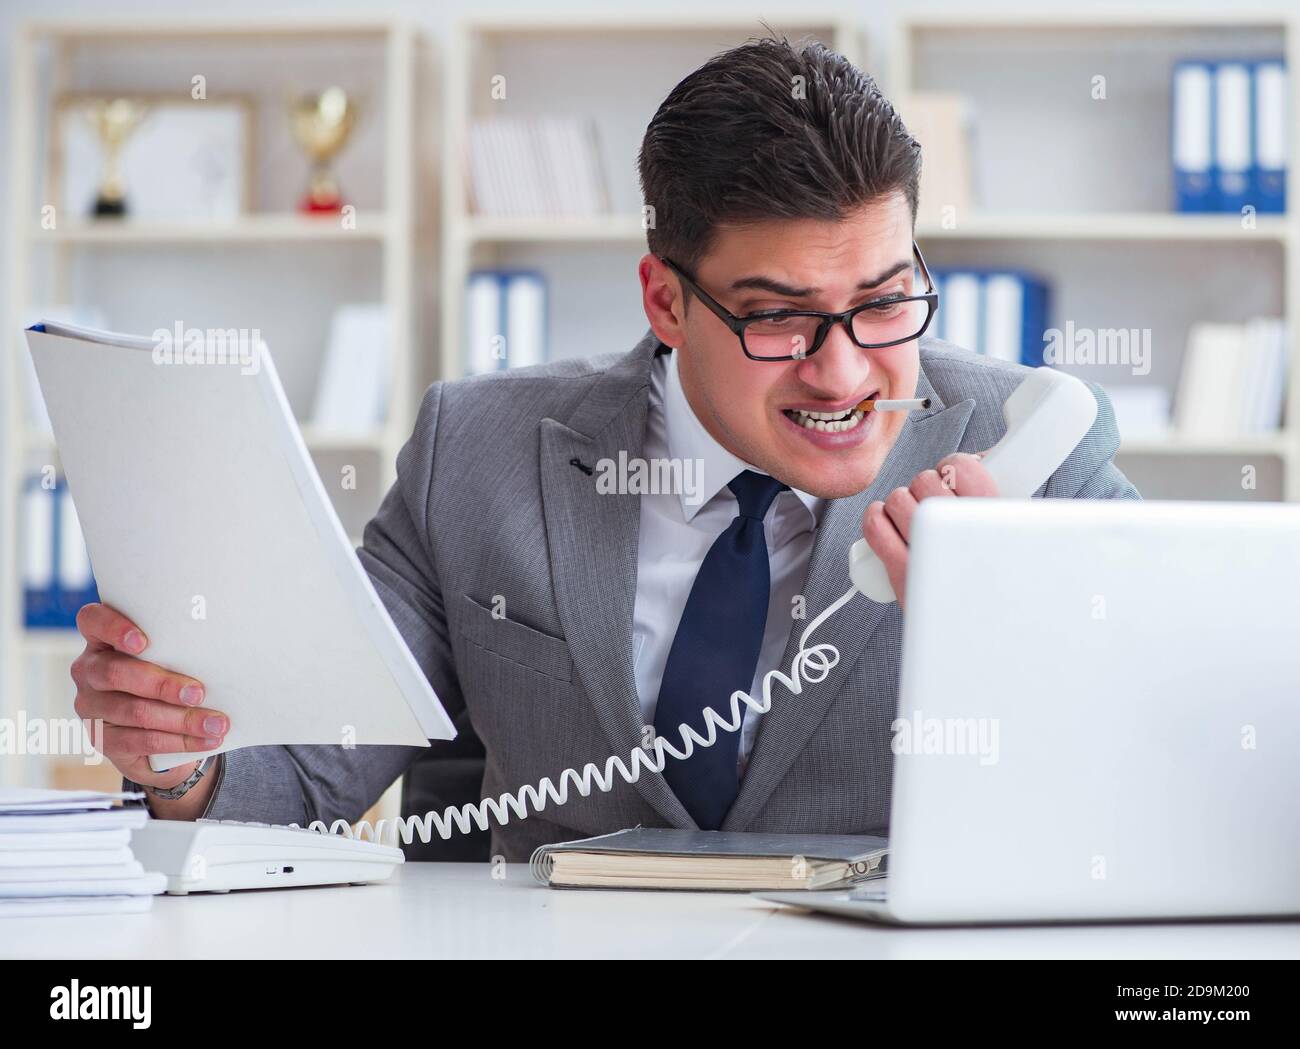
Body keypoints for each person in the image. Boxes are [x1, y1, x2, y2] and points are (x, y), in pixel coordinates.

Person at [71, 37, 1139, 861]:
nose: (845, 370)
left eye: (883, 300)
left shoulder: (1031, 454)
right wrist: (178, 751)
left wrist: (1021, 624)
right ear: (664, 299)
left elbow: (1199, 761)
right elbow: (299, 778)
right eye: (778, 318)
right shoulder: (476, 450)